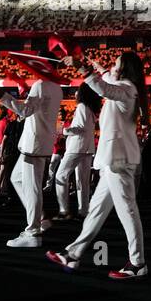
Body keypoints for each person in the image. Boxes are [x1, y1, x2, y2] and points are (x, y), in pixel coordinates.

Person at [45, 51, 149, 279]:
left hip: (118, 159)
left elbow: (104, 89)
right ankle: (73, 254)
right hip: (113, 159)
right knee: (96, 211)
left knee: (128, 211)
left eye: (117, 63)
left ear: (125, 68)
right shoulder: (126, 86)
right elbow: (107, 80)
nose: (113, 65)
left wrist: (82, 68)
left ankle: (138, 262)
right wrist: (95, 65)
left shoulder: (127, 89)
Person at [0, 64, 63, 248]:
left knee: (32, 187)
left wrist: (2, 97)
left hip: (33, 143)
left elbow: (26, 111)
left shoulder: (40, 85)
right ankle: (40, 218)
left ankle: (33, 232)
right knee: (17, 179)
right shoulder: (56, 87)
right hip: (41, 141)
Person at [53, 84, 98, 220]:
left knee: (60, 176)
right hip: (87, 147)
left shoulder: (82, 107)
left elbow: (79, 128)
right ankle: (83, 211)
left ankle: (64, 211)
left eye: (77, 91)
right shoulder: (90, 109)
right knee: (83, 182)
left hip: (77, 147)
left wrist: (62, 131)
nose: (75, 93)